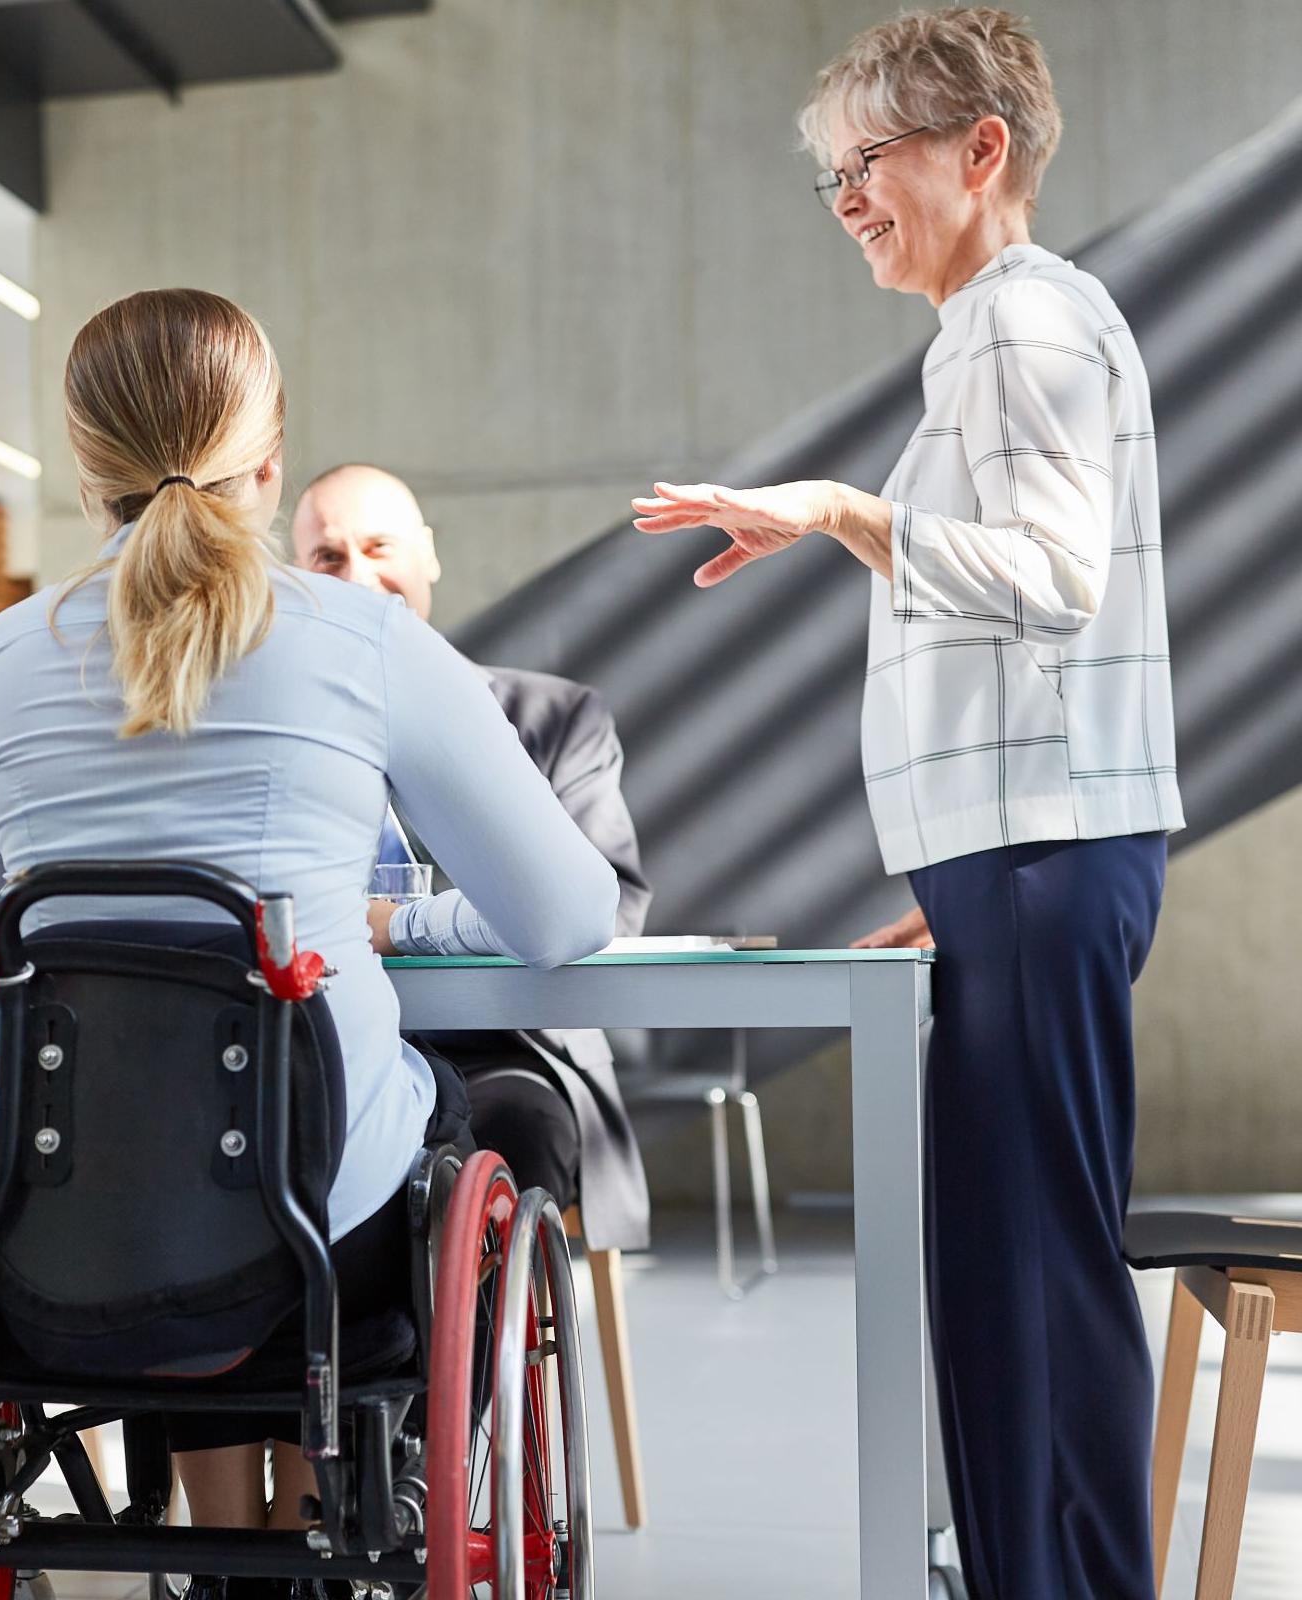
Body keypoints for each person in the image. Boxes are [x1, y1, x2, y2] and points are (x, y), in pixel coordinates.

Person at [0, 287, 618, 1544]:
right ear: (270, 459)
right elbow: (567, 913)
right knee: (422, 1110)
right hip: (316, 1229)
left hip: (55, 1217)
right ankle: (335, 1504)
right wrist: (410, 927)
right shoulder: (366, 640)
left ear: (85, 469)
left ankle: (223, 1542)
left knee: (162, 1116)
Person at [633, 11, 1178, 1594]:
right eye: (834, 179)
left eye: (864, 163)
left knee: (1033, 1269)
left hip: (1045, 861)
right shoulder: (1009, 326)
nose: (851, 200)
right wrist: (956, 876)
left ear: (978, 150)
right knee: (1004, 1265)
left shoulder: (1015, 320)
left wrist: (842, 513)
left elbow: (1056, 584)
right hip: (1016, 863)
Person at [291, 462, 653, 1251]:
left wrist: (398, 925)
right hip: (326, 1042)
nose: (357, 574)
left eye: (378, 545)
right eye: (327, 557)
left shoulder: (555, 718)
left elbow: (610, 906)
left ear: (428, 554)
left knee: (511, 1129)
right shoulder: (290, 731)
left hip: (505, 1044)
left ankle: (458, 1374)